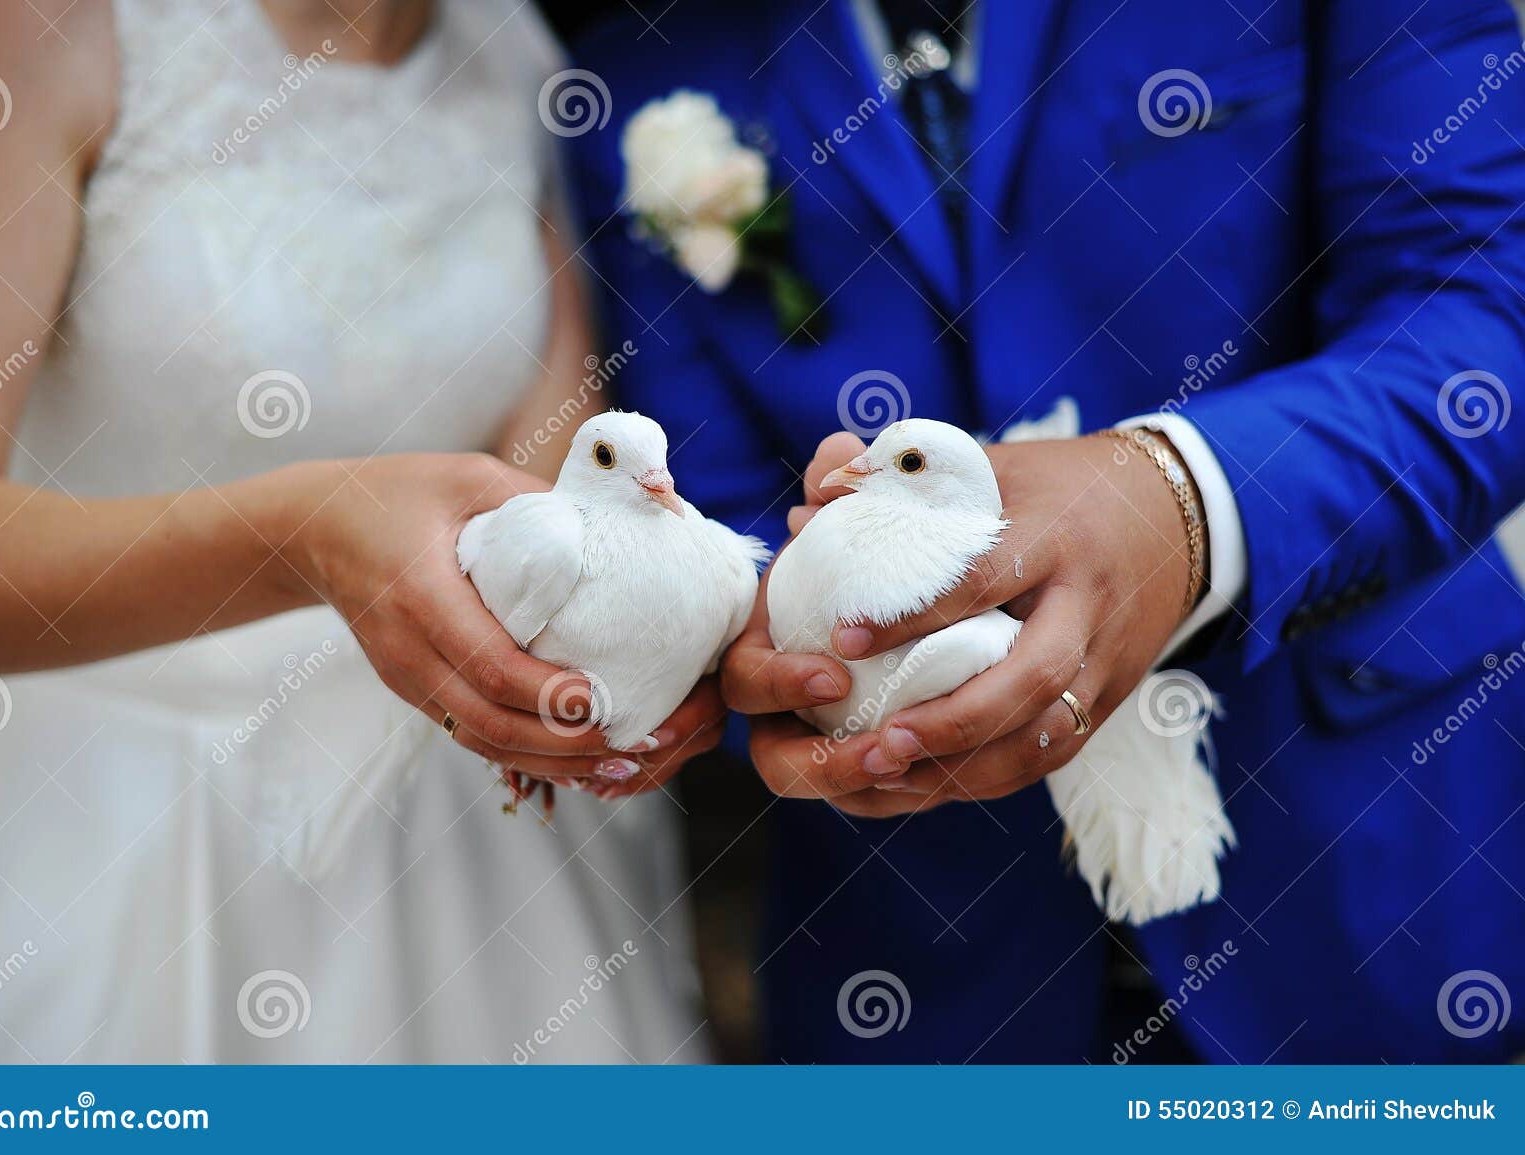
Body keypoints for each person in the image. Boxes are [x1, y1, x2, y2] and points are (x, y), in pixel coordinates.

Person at [568, 0, 1525, 1061]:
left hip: (1368, 877)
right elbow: (708, 509)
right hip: (921, 967)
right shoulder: (636, 62)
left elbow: (1483, 314)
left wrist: (1181, 495)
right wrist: (780, 648)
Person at [0, 0, 715, 1062]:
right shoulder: (48, 28)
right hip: (116, 825)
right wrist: (301, 541)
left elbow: (556, 489)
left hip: (461, 834)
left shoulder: (515, 52)